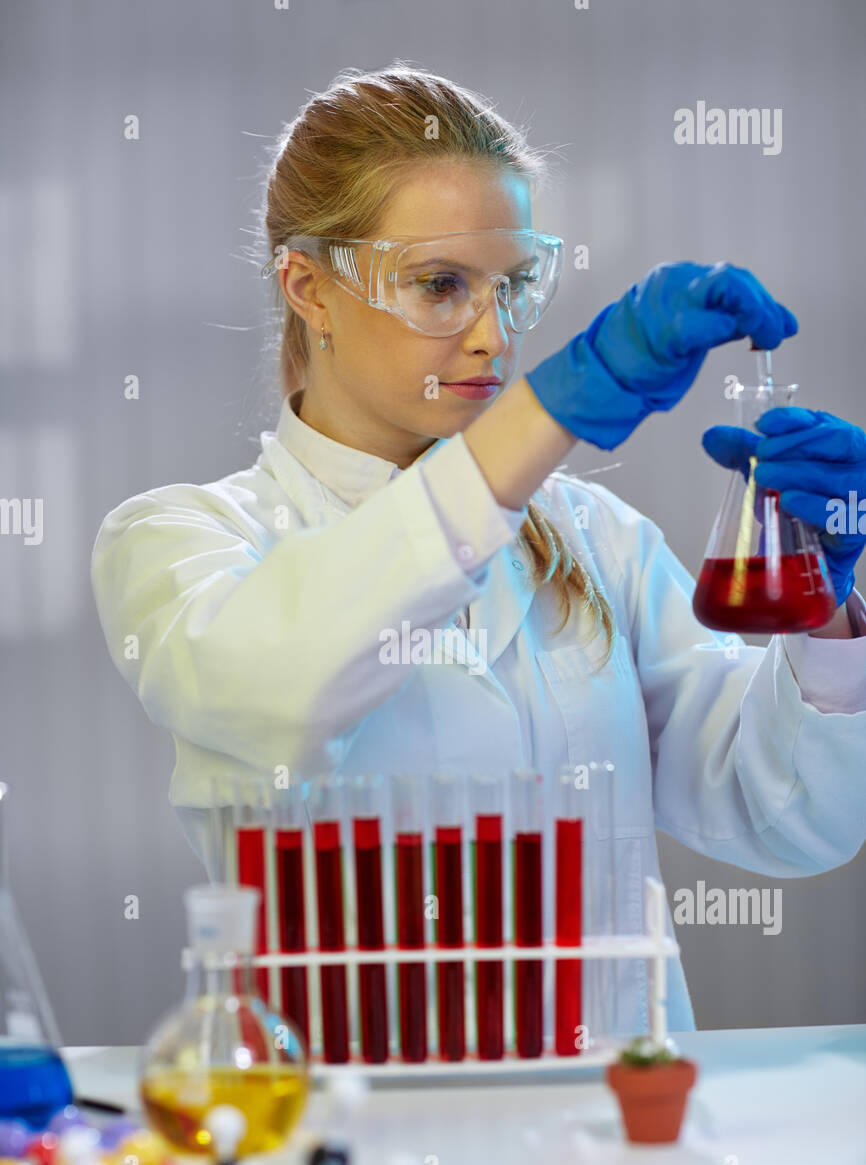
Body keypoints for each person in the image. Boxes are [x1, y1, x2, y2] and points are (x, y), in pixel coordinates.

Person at [91, 63, 866, 1034]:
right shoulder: (179, 537)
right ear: (308, 286)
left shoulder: (592, 539)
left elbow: (788, 817)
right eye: (439, 285)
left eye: (512, 287)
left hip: (610, 1129)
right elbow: (272, 689)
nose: (490, 336)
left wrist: (821, 610)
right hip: (344, 1134)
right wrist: (552, 407)